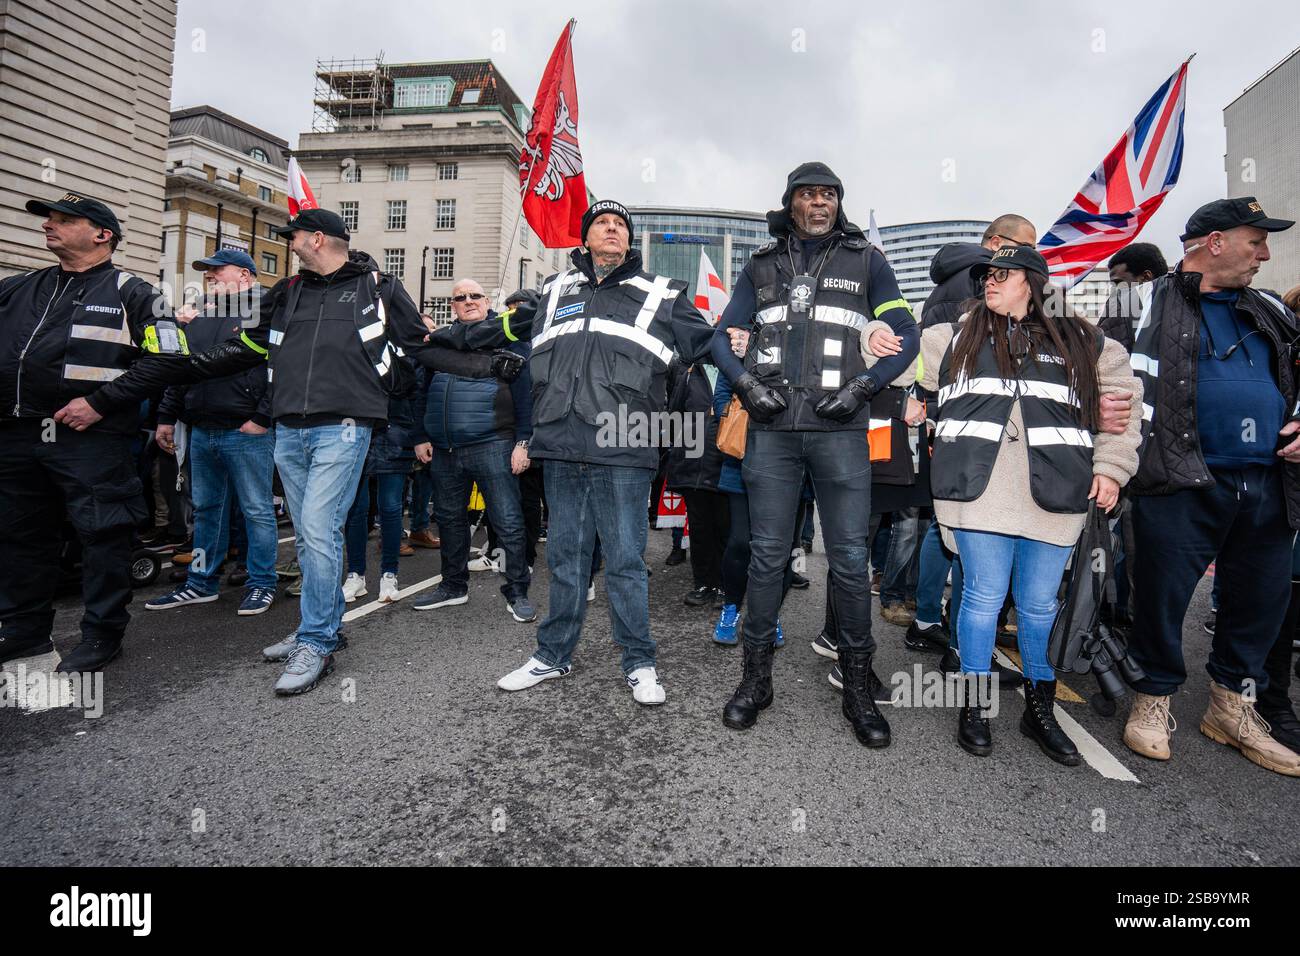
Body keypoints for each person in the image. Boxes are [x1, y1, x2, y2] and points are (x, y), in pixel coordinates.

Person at [177, 207, 525, 695]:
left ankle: (315, 641)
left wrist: (488, 362)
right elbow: (247, 346)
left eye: (293, 236)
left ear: (318, 239)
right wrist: (180, 364)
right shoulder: (288, 292)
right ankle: (318, 627)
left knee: (319, 528)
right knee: (312, 534)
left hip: (344, 429)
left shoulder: (379, 288)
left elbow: (422, 345)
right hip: (288, 429)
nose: (288, 244)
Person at [434, 200, 746, 704]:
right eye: (602, 223)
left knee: (624, 559)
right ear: (585, 239)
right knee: (565, 558)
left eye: (621, 225)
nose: (612, 229)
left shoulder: (662, 293)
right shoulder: (555, 290)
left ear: (629, 241)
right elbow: (501, 330)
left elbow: (709, 343)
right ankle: (552, 655)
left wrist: (744, 353)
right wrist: (444, 336)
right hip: (560, 445)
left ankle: (639, 662)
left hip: (624, 445)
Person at [717, 162, 919, 747]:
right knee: (767, 556)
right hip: (773, 432)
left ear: (839, 201)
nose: (820, 202)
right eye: (808, 194)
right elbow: (719, 335)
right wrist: (745, 386)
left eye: (829, 193)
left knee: (851, 561)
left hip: (841, 430)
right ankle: (756, 681)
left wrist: (864, 387)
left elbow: (904, 331)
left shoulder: (867, 261)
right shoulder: (759, 265)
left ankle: (857, 686)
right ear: (791, 202)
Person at [917, 244, 1143, 763]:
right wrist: (872, 337)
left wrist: (1111, 468)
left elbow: (1124, 408)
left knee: (1040, 605)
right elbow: (889, 355)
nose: (989, 282)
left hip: (1056, 489)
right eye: (986, 276)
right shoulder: (951, 334)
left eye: (1002, 274)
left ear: (1034, 281)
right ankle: (973, 704)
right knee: (982, 596)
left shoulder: (1087, 341)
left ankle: (1038, 707)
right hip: (978, 490)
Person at [1113, 197, 1300, 776]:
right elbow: (1101, 366)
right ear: (1214, 242)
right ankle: (1152, 698)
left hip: (1268, 482)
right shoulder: (1141, 299)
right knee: (1162, 597)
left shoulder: (1269, 306)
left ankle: (1232, 707)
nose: (1265, 254)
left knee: (1260, 600)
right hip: (1179, 478)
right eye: (1256, 241)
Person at [0, 192, 196, 672]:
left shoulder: (138, 294)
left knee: (102, 535)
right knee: (20, 537)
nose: (50, 226)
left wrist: (98, 403)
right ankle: (23, 630)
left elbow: (170, 358)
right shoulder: (18, 287)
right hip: (17, 436)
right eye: (50, 219)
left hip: (89, 439)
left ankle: (102, 634)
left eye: (65, 220)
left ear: (102, 234)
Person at [145, 250, 277, 615]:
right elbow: (179, 367)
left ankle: (262, 582)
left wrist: (262, 417)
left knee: (257, 510)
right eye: (207, 271)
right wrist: (166, 416)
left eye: (219, 270)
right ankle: (200, 583)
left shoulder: (266, 310)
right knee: (206, 509)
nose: (210, 276)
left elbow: (280, 369)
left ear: (247, 277)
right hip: (202, 429)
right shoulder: (200, 312)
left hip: (246, 430)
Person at [410, 277, 535, 622]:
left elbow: (526, 396)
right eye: (459, 297)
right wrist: (420, 435)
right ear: (452, 306)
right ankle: (453, 586)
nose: (467, 301)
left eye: (474, 295)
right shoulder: (439, 342)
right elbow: (421, 390)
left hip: (493, 444)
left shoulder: (507, 336)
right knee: (450, 519)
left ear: (486, 299)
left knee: (508, 521)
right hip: (445, 449)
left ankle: (517, 589)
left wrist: (523, 442)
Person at [342, 386, 428, 604]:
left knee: (390, 508)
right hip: (354, 429)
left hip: (394, 433)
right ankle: (355, 575)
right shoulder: (350, 351)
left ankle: (389, 575)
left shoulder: (398, 353)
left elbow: (415, 391)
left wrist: (418, 435)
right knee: (355, 509)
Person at [919, 214, 1037, 330]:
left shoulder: (951, 278)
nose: (1031, 254)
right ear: (996, 243)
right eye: (1026, 247)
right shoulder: (986, 277)